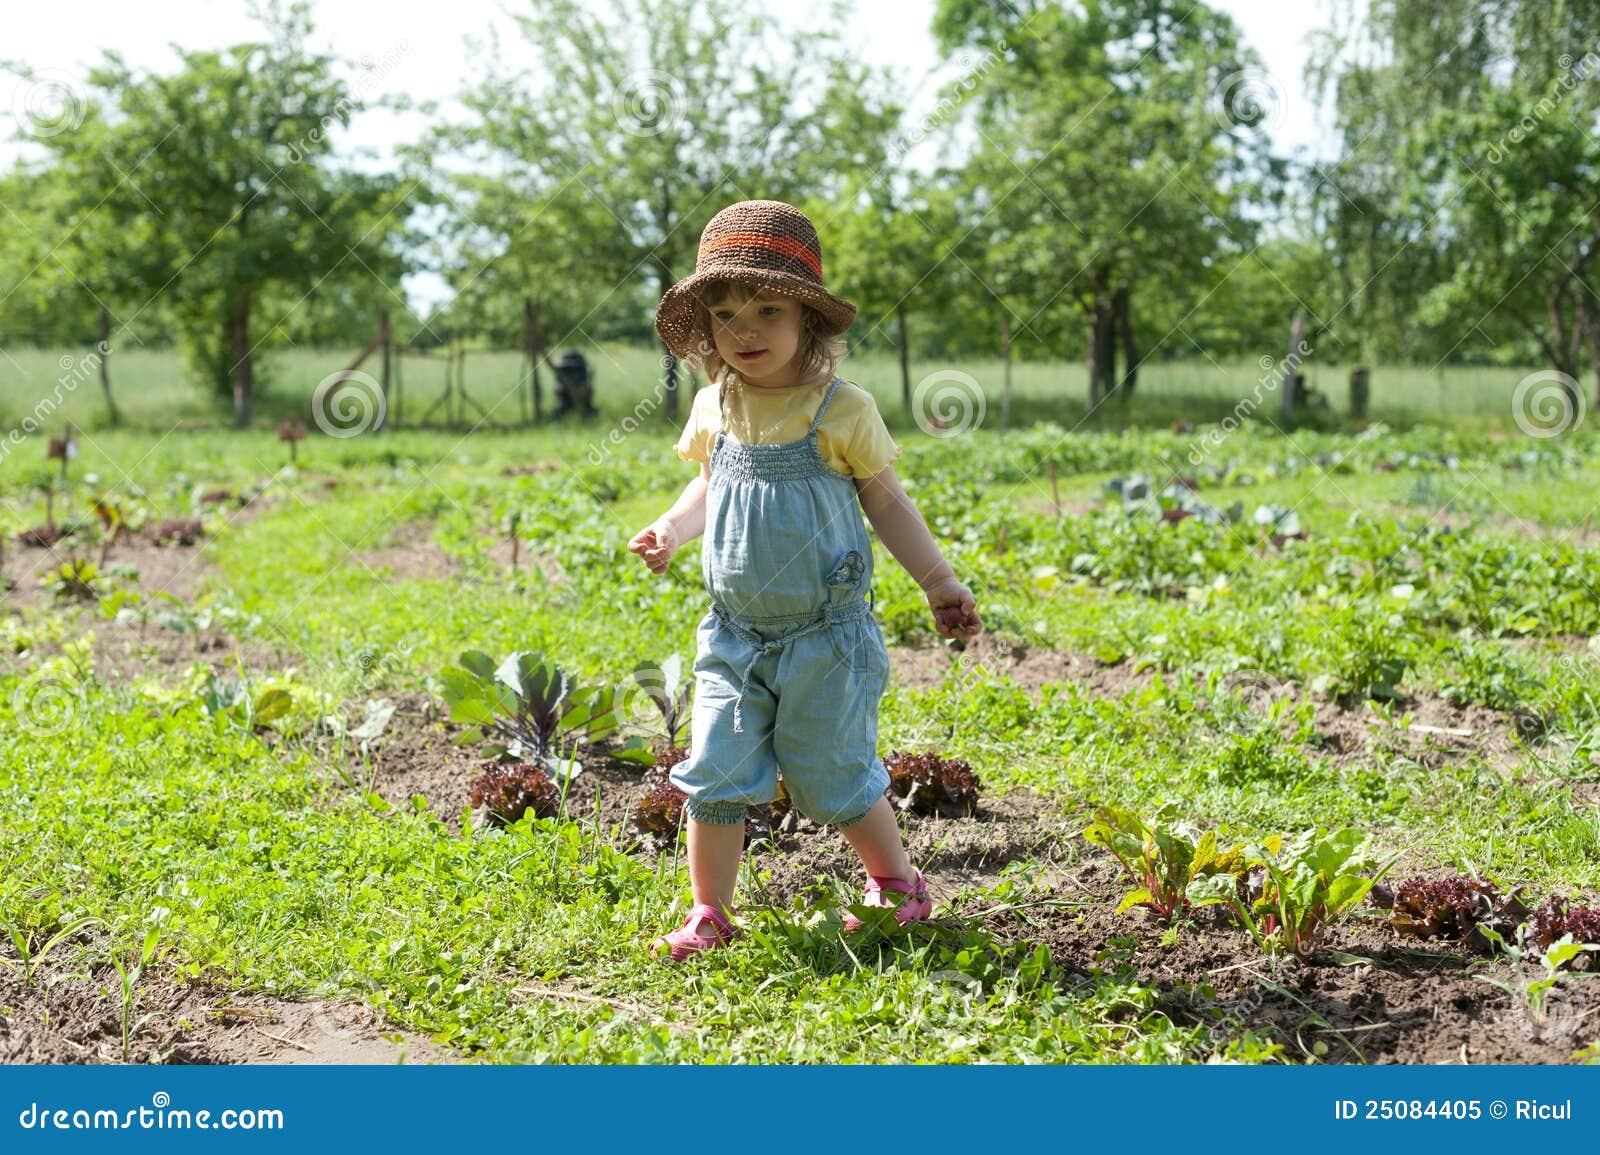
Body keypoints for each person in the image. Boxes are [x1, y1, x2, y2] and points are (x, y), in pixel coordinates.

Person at [627, 199, 982, 962]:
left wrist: (938, 580)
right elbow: (708, 486)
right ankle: (709, 911)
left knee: (832, 772)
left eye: (767, 309)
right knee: (714, 769)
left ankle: (896, 883)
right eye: (724, 315)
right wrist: (669, 528)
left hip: (826, 632)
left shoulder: (840, 409)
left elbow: (886, 500)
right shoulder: (715, 405)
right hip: (734, 632)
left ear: (810, 321)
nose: (744, 330)